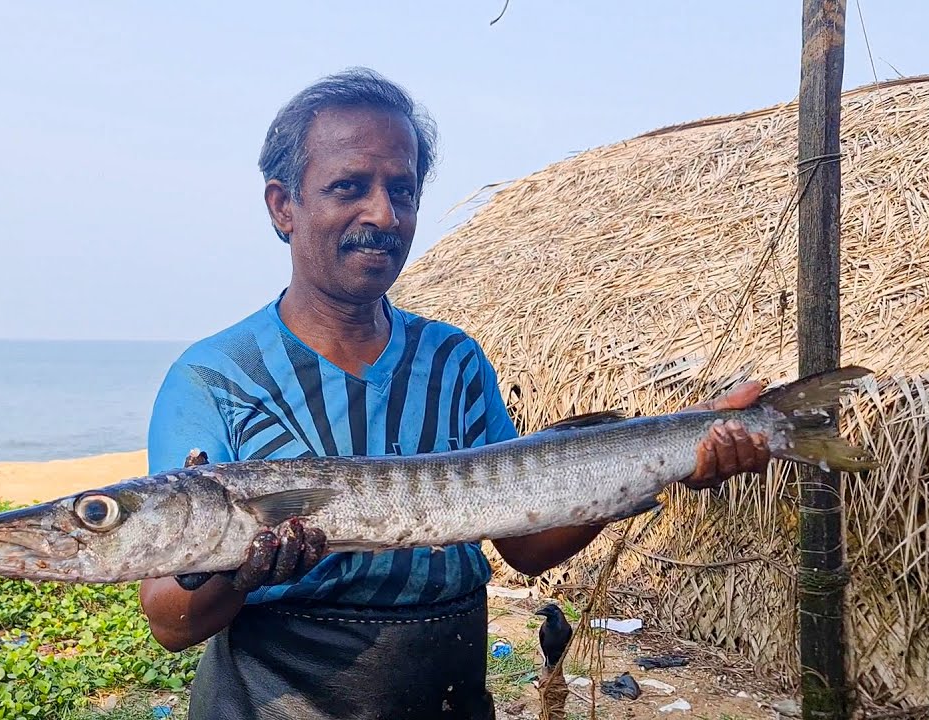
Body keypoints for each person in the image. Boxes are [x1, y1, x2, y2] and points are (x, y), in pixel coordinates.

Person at [138, 67, 771, 720]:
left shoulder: (454, 360)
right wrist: (239, 573)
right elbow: (170, 620)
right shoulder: (213, 377)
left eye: (402, 191)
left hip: (447, 693)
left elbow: (522, 545)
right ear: (283, 206)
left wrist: (669, 457)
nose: (384, 214)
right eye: (350, 187)